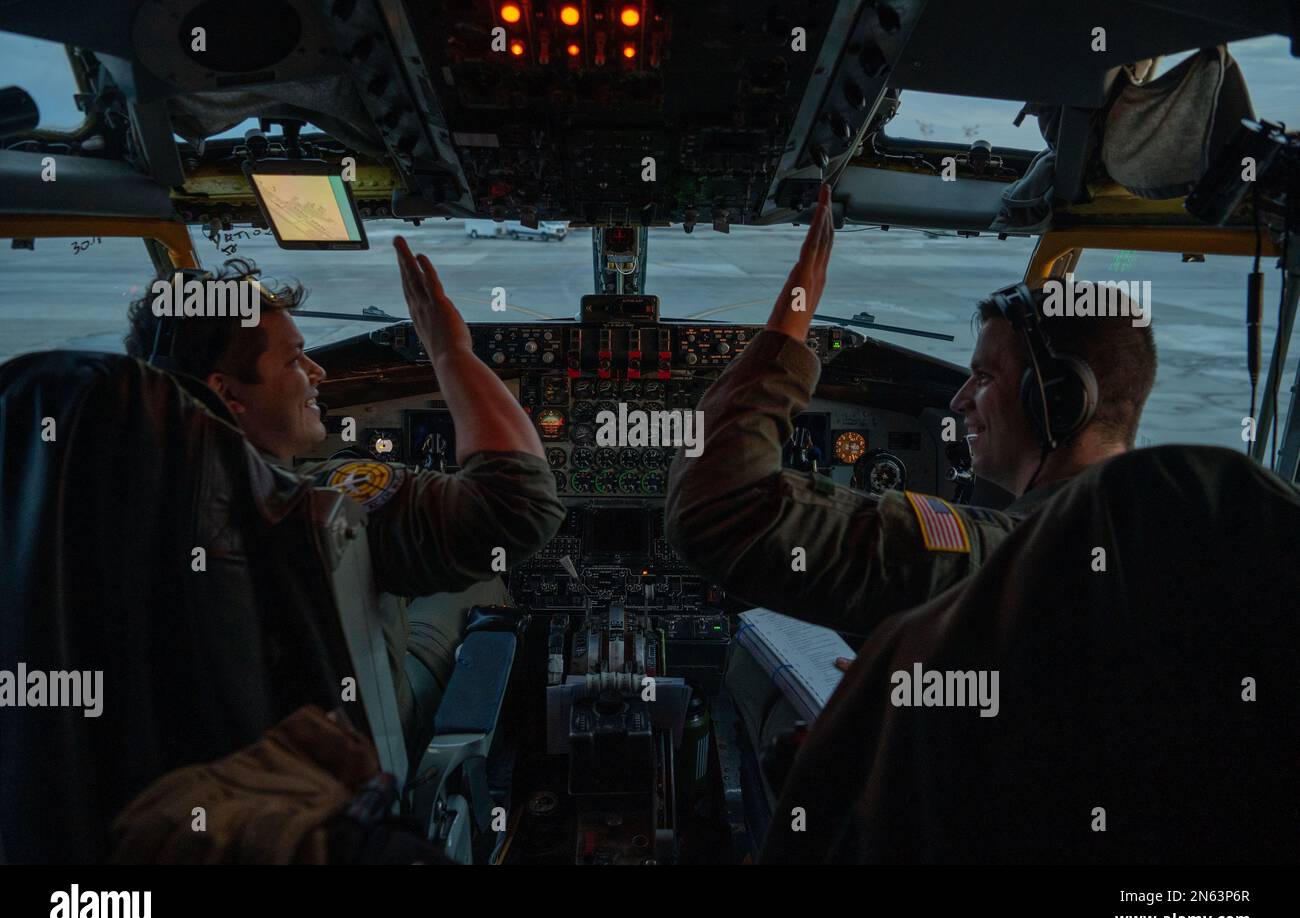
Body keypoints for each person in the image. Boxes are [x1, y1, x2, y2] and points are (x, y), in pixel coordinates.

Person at [663, 183, 1157, 811]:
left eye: (983, 378)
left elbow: (718, 507)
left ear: (1056, 399)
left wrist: (796, 308)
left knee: (769, 716)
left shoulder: (1005, 555)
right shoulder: (1162, 537)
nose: (957, 401)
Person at [124, 239, 565, 753]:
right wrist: (450, 352)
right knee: (476, 581)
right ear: (225, 393)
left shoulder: (88, 493)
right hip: (351, 754)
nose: (318, 372)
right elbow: (518, 507)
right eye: (293, 360)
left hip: (189, 762)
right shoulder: (315, 504)